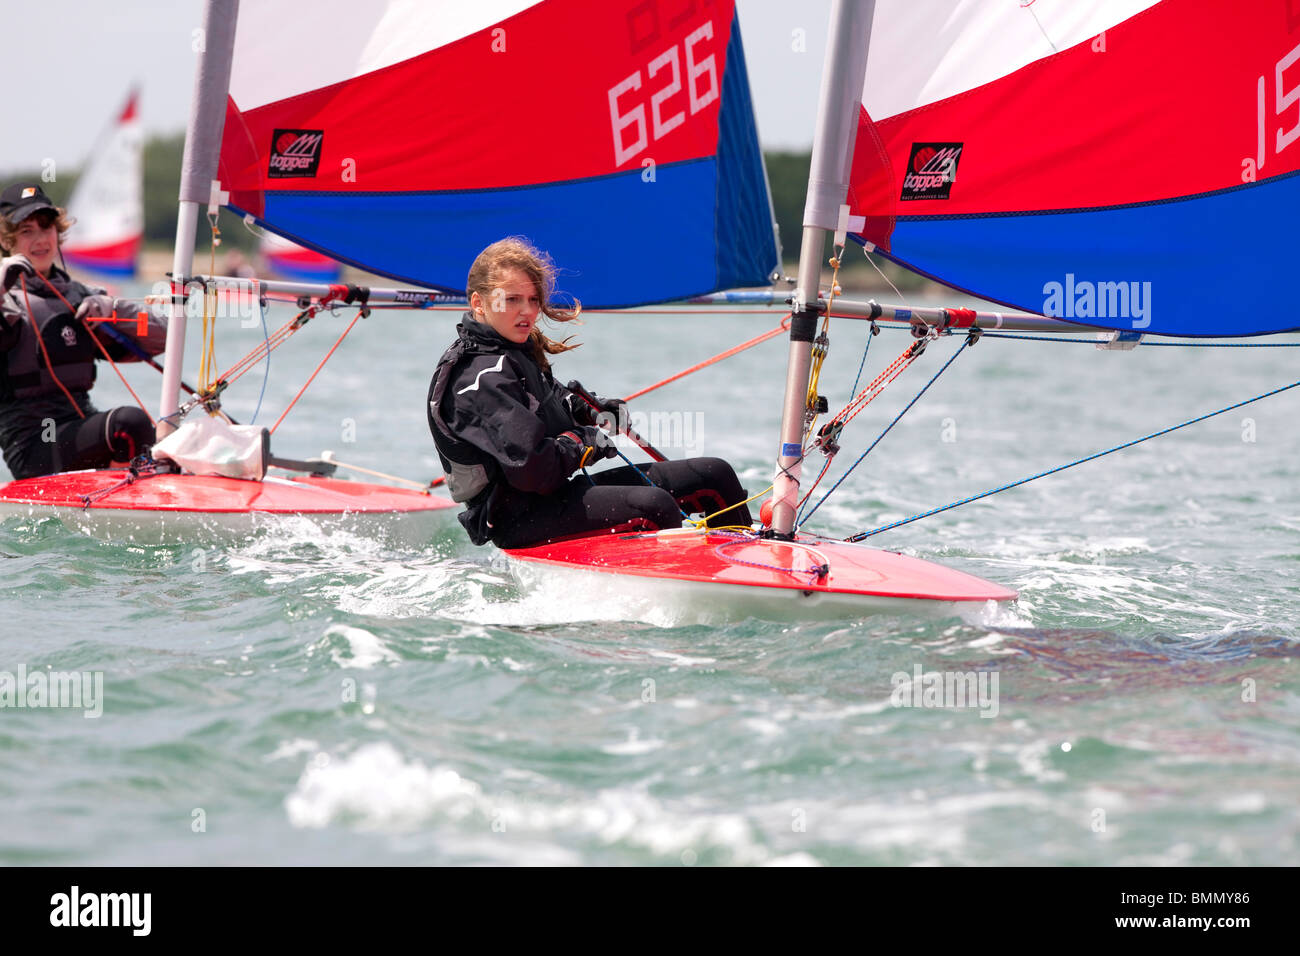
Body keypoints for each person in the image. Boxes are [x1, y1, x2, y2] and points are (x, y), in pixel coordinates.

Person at [427, 237, 752, 549]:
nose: (527, 311)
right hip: (520, 519)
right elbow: (534, 470)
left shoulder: (512, 352)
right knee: (655, 506)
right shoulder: (479, 379)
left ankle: (748, 563)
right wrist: (585, 443)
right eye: (512, 299)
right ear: (479, 304)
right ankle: (686, 592)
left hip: (557, 497)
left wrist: (589, 409)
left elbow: (549, 401)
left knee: (715, 475)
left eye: (533, 300)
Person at [0, 182, 166, 480]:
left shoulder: (82, 297)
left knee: (169, 442)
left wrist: (115, 309)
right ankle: (125, 489)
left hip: (80, 428)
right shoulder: (8, 303)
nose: (40, 239)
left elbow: (162, 337)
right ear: (7, 241)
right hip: (31, 445)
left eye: (46, 227)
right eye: (26, 231)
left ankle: (127, 485)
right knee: (129, 423)